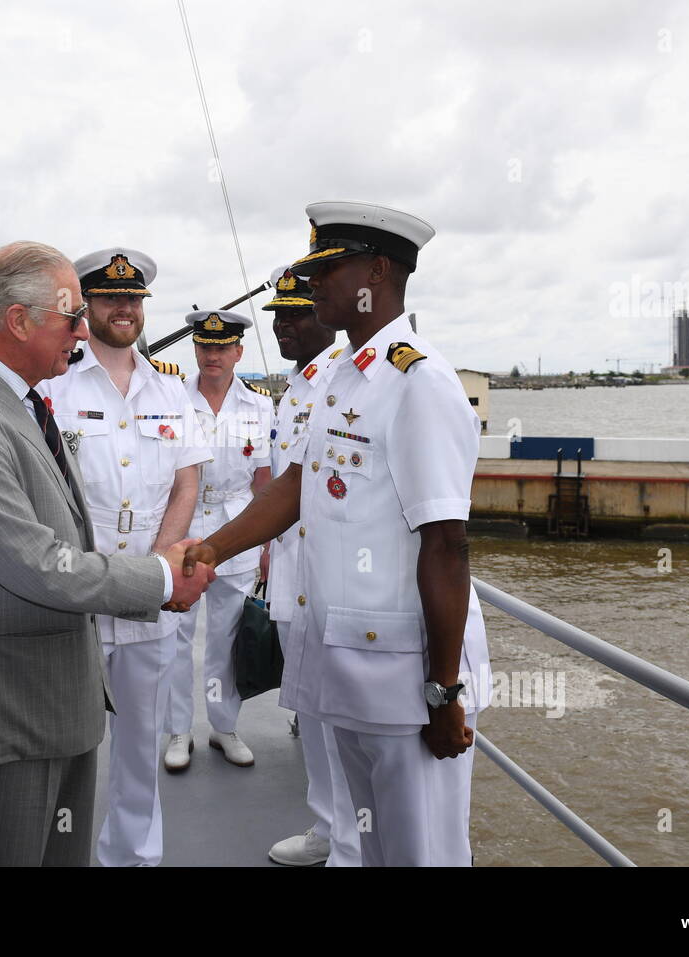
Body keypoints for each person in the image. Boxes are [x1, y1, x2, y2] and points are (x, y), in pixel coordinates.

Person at [181, 202, 492, 866]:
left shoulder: (420, 381)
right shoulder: (344, 376)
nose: (311, 283)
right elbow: (294, 487)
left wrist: (444, 692)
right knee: (375, 852)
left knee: (424, 856)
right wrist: (210, 550)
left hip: (410, 683)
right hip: (348, 673)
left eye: (327, 268)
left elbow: (446, 543)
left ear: (376, 272)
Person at [0, 242, 213, 867]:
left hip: (55, 699)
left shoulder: (22, 401)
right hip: (5, 711)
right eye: (72, 316)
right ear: (20, 321)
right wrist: (159, 576)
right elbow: (36, 563)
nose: (80, 332)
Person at [39, 247, 212, 867]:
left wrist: (164, 561)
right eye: (111, 298)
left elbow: (188, 481)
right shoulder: (53, 387)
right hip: (73, 592)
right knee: (64, 742)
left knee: (139, 742)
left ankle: (133, 857)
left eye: (133, 299)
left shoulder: (173, 390)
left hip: (146, 592)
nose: (124, 309)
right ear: (86, 306)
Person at [259, 264, 361, 867]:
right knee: (312, 713)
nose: (282, 327)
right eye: (277, 316)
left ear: (324, 315)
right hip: (293, 576)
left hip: (335, 577)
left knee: (341, 717)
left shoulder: (341, 381)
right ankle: (326, 828)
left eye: (295, 314)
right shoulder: (297, 385)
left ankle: (351, 844)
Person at [162, 309, 275, 772]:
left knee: (227, 638)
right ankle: (178, 730)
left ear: (238, 352)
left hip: (238, 531)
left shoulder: (261, 406)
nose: (213, 355)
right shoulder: (170, 398)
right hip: (183, 528)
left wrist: (270, 546)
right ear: (196, 350)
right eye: (205, 346)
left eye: (222, 347)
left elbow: (265, 483)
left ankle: (224, 727)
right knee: (176, 636)